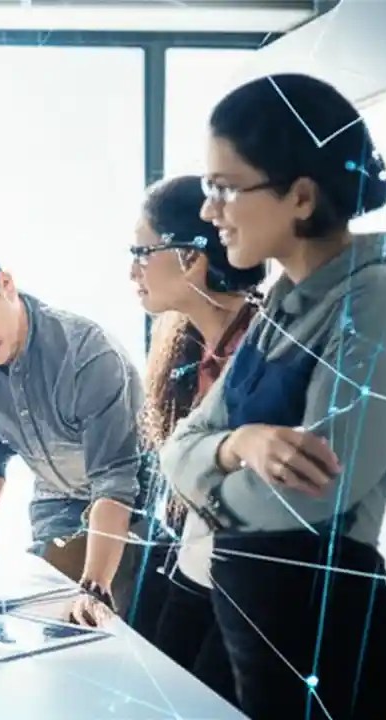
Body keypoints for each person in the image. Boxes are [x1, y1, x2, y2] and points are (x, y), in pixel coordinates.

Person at [160, 73, 386, 720]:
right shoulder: (276, 311)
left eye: (225, 188)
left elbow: (309, 500)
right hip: (254, 624)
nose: (209, 211)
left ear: (300, 195)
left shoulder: (376, 303)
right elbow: (175, 450)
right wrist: (240, 444)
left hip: (322, 639)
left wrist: (209, 474)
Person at [0, 236, 148, 627]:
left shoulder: (87, 353)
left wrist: (96, 587)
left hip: (136, 505)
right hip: (56, 499)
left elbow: (114, 479)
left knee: (114, 628)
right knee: (52, 624)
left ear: (6, 285)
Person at [130, 174, 266, 703]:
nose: (133, 270)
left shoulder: (266, 350)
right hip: (193, 562)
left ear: (192, 257)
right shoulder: (186, 345)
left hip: (249, 589)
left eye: (144, 251)